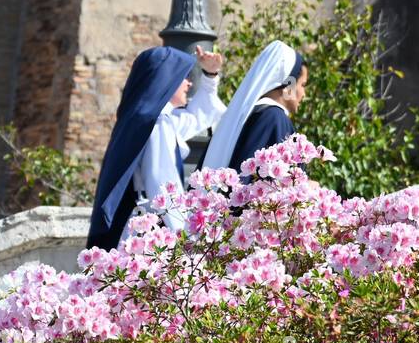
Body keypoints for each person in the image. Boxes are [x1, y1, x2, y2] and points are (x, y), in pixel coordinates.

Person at [86, 45, 226, 250]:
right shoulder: (157, 123)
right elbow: (161, 182)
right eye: (183, 77)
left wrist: (210, 75)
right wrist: (183, 237)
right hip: (150, 233)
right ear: (167, 80)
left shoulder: (146, 118)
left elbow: (198, 116)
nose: (188, 83)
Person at [202, 40, 308, 175]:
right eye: (303, 85)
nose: (304, 94)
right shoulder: (274, 118)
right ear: (289, 83)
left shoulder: (250, 114)